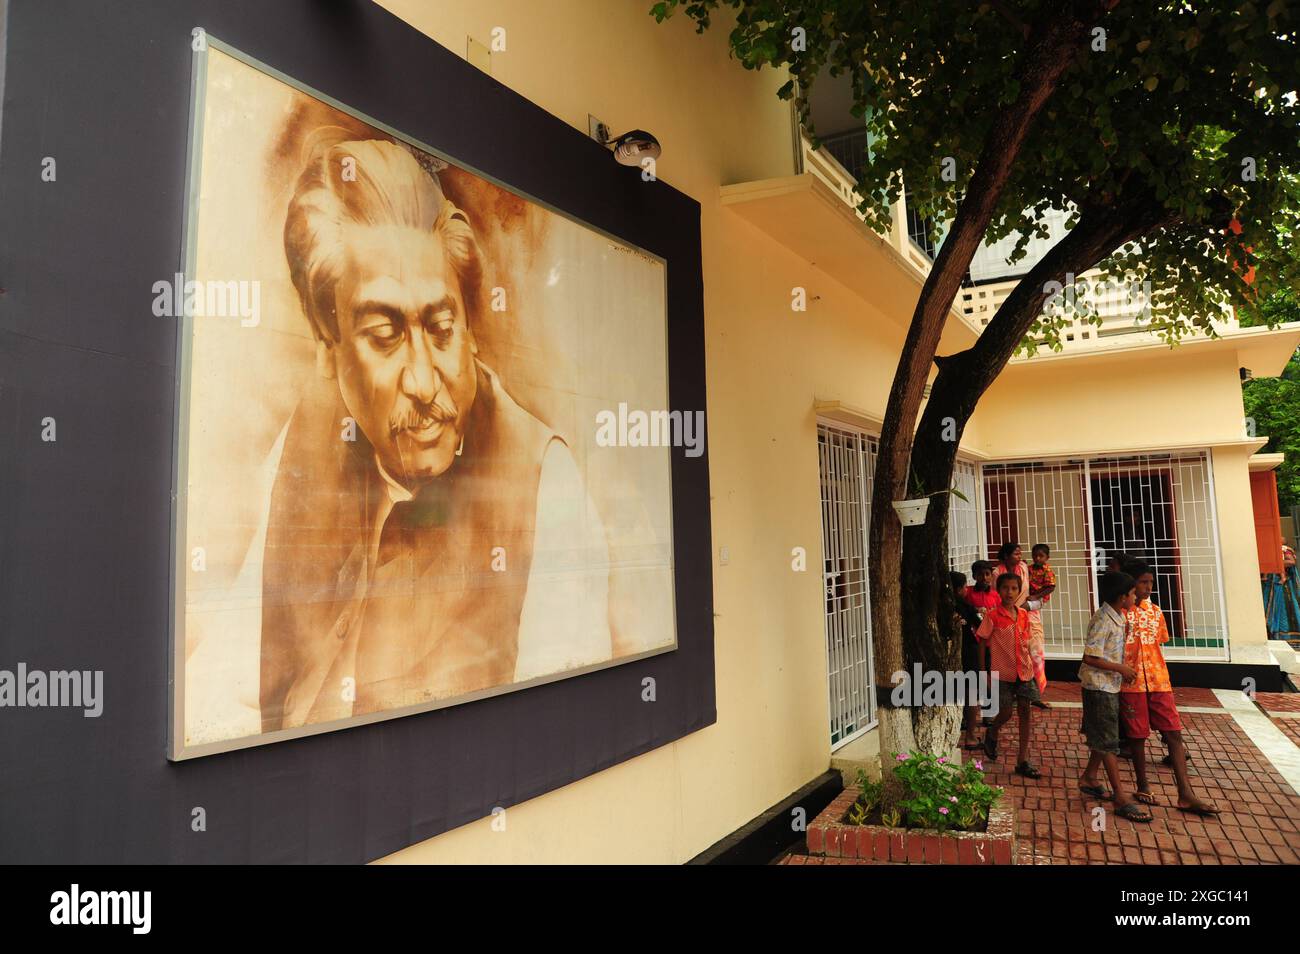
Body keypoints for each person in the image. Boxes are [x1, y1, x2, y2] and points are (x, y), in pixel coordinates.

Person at [253, 134, 614, 731]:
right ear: (328, 342)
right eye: (384, 334)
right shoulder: (294, 454)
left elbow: (561, 727)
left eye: (442, 327)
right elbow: (229, 691)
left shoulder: (545, 484)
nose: (424, 381)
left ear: (469, 328)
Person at [1120, 561, 1219, 816]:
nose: (1148, 586)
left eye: (1150, 582)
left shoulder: (1156, 612)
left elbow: (1159, 642)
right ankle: (1143, 786)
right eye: (1143, 582)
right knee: (1137, 737)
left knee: (1174, 733)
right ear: (1131, 583)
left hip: (1159, 679)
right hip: (1131, 683)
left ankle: (1185, 793)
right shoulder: (1121, 613)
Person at [1077, 570, 1151, 823]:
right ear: (1122, 597)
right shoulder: (1102, 620)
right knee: (1108, 741)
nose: (1135, 596)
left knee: (1103, 734)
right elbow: (1090, 657)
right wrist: (1121, 668)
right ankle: (1120, 796)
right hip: (1099, 687)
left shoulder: (1118, 616)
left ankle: (1089, 777)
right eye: (1132, 593)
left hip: (1110, 686)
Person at [976, 572, 1041, 778]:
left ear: (1019, 590)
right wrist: (983, 670)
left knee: (1025, 711)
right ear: (999, 590)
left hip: (1025, 671)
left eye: (1014, 588)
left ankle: (1022, 760)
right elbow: (982, 642)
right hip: (1002, 674)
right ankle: (993, 731)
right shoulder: (992, 616)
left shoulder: (1023, 615)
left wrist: (1036, 665)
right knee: (1006, 713)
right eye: (1005, 588)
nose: (1009, 592)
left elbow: (1027, 641)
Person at [951, 571, 986, 750]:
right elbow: (982, 627)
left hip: (949, 658)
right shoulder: (966, 606)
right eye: (965, 586)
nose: (967, 589)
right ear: (958, 590)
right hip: (968, 655)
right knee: (971, 694)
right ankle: (971, 737)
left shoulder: (939, 608)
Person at [1026, 543, 1056, 706]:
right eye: (1035, 555)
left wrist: (1036, 596)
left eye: (1041, 556)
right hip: (1028, 601)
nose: (1037, 558)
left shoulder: (1047, 570)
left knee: (1036, 653)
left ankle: (1037, 691)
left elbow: (1050, 587)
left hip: (1036, 602)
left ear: (1046, 558)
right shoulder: (1028, 568)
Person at [1263, 543, 1300, 640]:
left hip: (1282, 586)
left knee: (1284, 609)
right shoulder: (1269, 550)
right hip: (1271, 584)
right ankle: (1273, 634)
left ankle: (1286, 635)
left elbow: (1291, 562)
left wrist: (1277, 562)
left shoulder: (1284, 550)